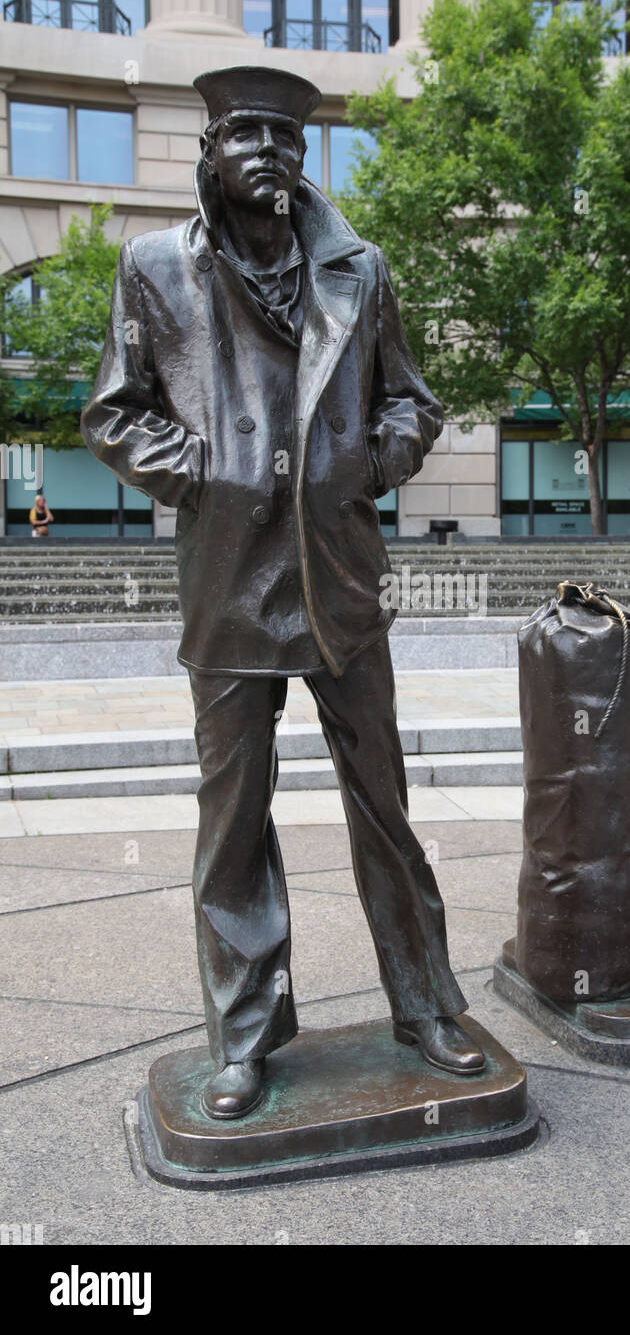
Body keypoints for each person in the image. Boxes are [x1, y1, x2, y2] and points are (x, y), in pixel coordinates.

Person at [81, 66, 484, 1122]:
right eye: (249, 133)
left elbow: (412, 400)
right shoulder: (155, 268)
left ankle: (427, 1006)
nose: (274, 153)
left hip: (339, 576)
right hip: (229, 580)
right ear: (208, 149)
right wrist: (199, 470)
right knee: (233, 822)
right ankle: (246, 1037)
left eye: (291, 138)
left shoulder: (357, 266)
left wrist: (368, 460)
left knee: (386, 810)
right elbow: (115, 412)